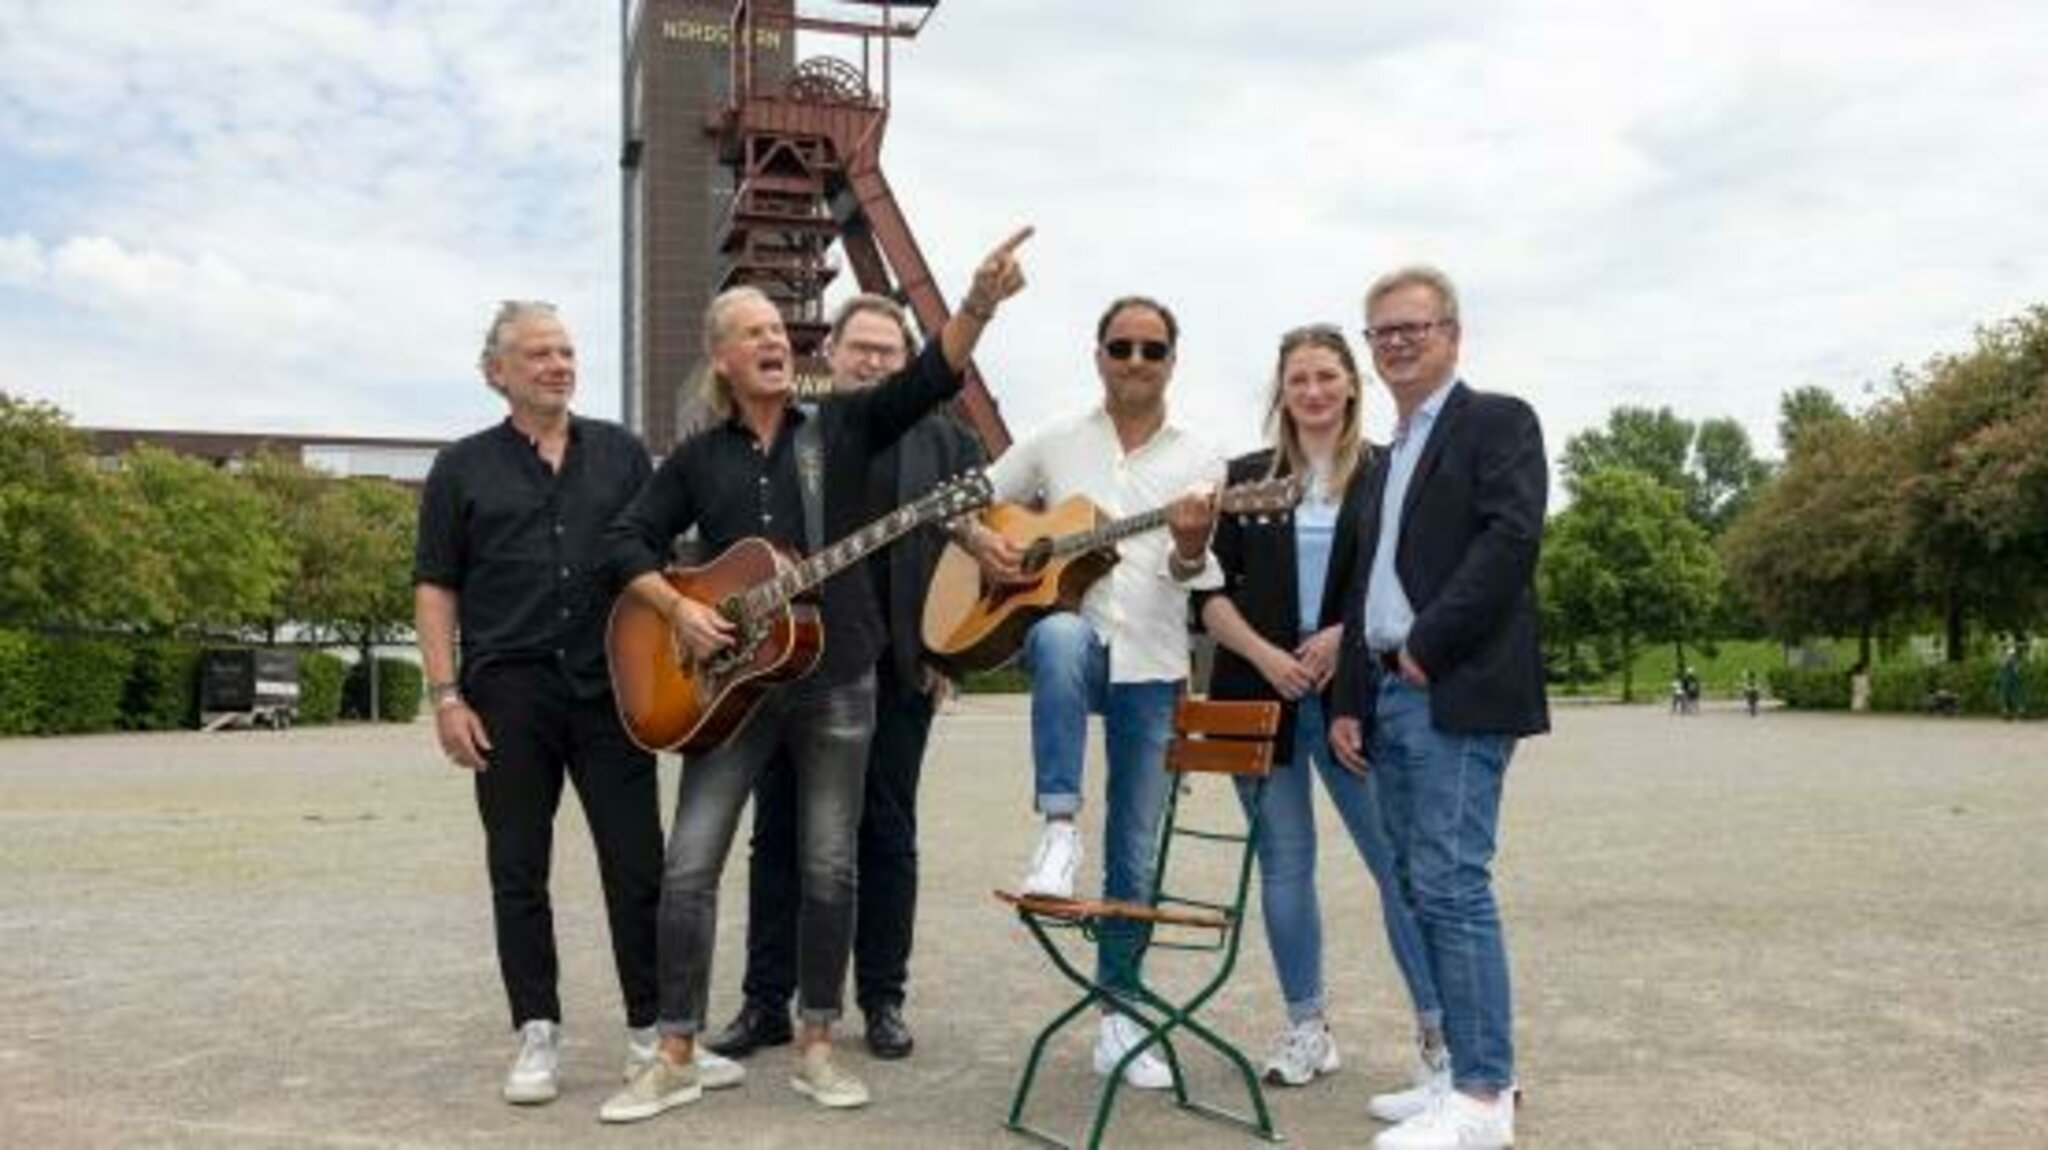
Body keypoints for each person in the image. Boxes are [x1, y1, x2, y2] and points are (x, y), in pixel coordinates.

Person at [596, 228, 1031, 1123]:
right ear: (721, 358)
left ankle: (819, 1042)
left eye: (777, 332)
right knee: (691, 867)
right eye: (750, 332)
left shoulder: (840, 426)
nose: (770, 342)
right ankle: (674, 1051)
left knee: (832, 865)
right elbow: (625, 540)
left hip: (837, 675)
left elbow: (929, 379)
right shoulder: (696, 459)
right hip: (727, 689)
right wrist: (678, 608)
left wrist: (978, 303)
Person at [413, 301, 740, 1105]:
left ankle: (652, 1038)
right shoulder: (460, 468)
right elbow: (435, 586)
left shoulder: (624, 454)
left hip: (611, 689)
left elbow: (657, 563)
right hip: (507, 691)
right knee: (517, 867)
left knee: (638, 868)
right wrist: (445, 695)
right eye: (538, 354)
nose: (558, 364)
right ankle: (537, 1033)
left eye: (565, 351)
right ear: (498, 373)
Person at [708, 295, 984, 1064]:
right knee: (781, 836)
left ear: (907, 362)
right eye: (859, 348)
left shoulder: (952, 442)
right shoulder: (794, 435)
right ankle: (766, 1001)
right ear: (829, 352)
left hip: (902, 667)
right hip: (793, 667)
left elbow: (972, 556)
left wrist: (948, 656)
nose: (872, 361)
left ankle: (882, 999)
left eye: (888, 351)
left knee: (885, 834)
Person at [964, 295, 1223, 1090]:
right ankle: (1057, 827)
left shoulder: (1203, 457)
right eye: (1122, 347)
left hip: (1152, 658)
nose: (1136, 362)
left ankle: (1121, 1015)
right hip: (1079, 647)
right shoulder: (1052, 441)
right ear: (1099, 355)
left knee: (1137, 854)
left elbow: (1191, 577)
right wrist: (982, 539)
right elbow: (968, 495)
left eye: (1152, 349)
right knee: (1058, 633)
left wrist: (1188, 544)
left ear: (1172, 360)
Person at [1328, 266, 1548, 1150]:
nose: (1397, 342)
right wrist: (1350, 697)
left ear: (1453, 333)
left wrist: (1426, 646)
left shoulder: (1497, 421)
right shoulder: (1385, 460)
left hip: (1450, 687)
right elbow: (1359, 588)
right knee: (1418, 883)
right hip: (1385, 692)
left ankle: (1486, 1097)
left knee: (1453, 884)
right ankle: (1459, 1072)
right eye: (1381, 331)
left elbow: (1511, 539)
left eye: (1414, 327)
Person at [1196, 324, 1444, 1088]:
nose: (1313, 391)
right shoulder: (1240, 478)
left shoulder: (1386, 470)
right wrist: (1268, 656)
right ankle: (1307, 1028)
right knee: (1285, 870)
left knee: (1396, 866)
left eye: (1326, 377)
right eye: (1298, 378)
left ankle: (1439, 1038)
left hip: (1354, 690)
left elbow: (1407, 577)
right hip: (1260, 689)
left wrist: (1344, 635)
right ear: (1282, 389)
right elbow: (1206, 596)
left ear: (1350, 385)